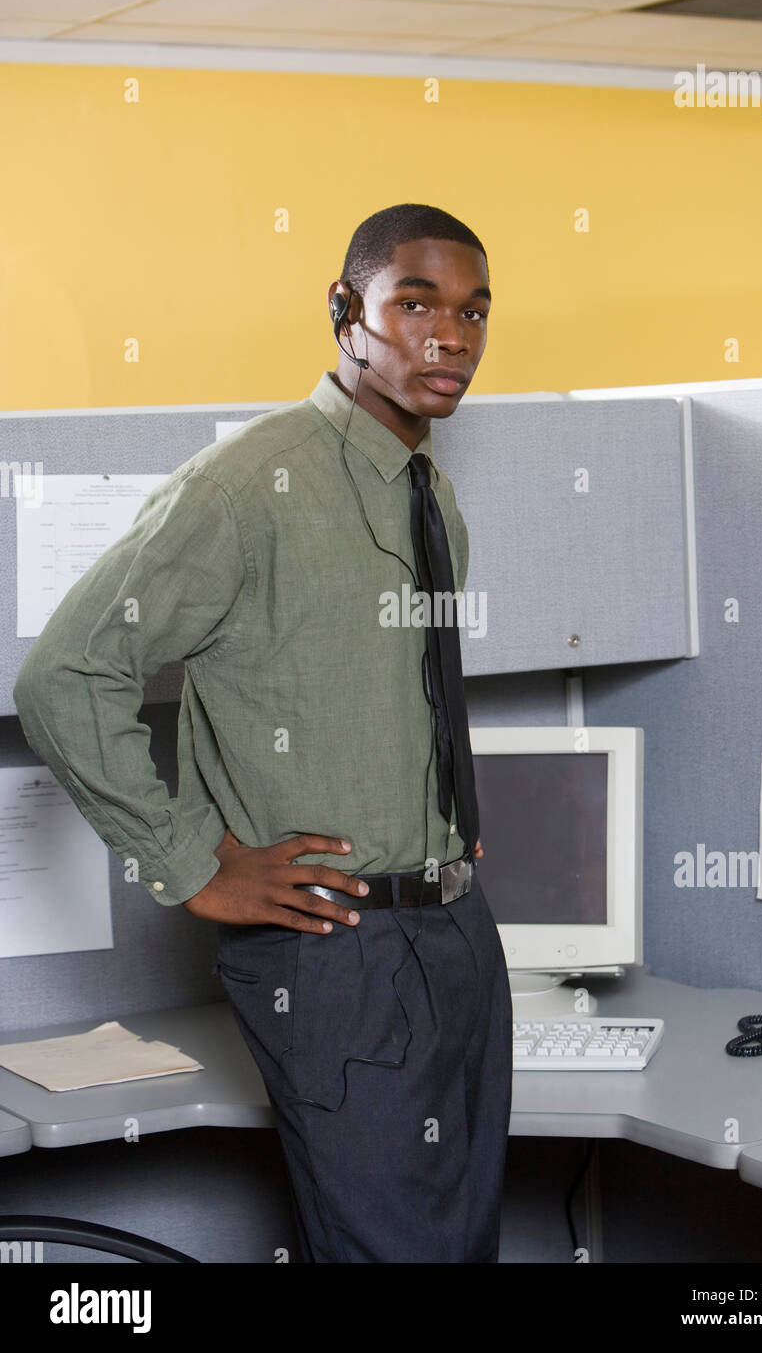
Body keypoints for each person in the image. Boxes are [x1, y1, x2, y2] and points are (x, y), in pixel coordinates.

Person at [13, 202, 513, 1264]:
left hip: (456, 936)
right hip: (338, 950)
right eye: (413, 302)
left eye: (472, 311)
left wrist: (442, 824)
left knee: (459, 1247)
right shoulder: (251, 485)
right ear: (346, 312)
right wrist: (190, 863)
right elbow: (67, 673)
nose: (449, 336)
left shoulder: (432, 498)